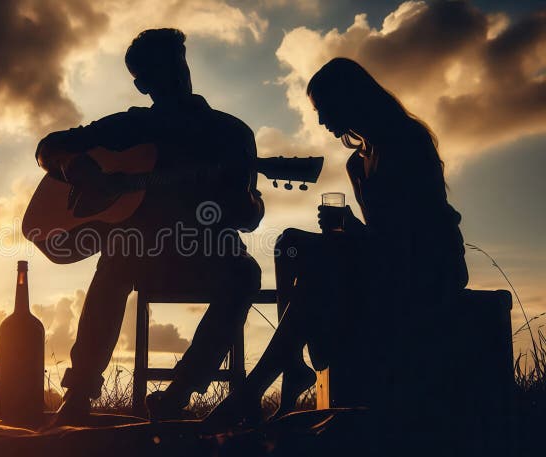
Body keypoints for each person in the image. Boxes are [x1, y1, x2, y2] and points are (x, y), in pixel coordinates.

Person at [205, 57, 469, 432]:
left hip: (431, 263)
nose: (320, 120)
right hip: (390, 259)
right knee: (289, 243)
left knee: (318, 273)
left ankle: (255, 389)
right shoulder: (356, 163)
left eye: (323, 108)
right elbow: (380, 235)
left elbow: (412, 231)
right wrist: (348, 229)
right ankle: (291, 364)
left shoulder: (409, 140)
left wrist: (349, 235)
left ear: (350, 99)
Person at [34, 28, 264, 426]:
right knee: (119, 253)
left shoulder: (230, 133)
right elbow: (49, 146)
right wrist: (76, 166)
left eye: (176, 63)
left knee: (245, 272)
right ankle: (79, 393)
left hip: (203, 251)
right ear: (143, 84)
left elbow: (248, 218)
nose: (174, 75)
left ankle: (177, 395)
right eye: (159, 70)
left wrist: (246, 202)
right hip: (141, 254)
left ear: (186, 64)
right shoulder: (130, 128)